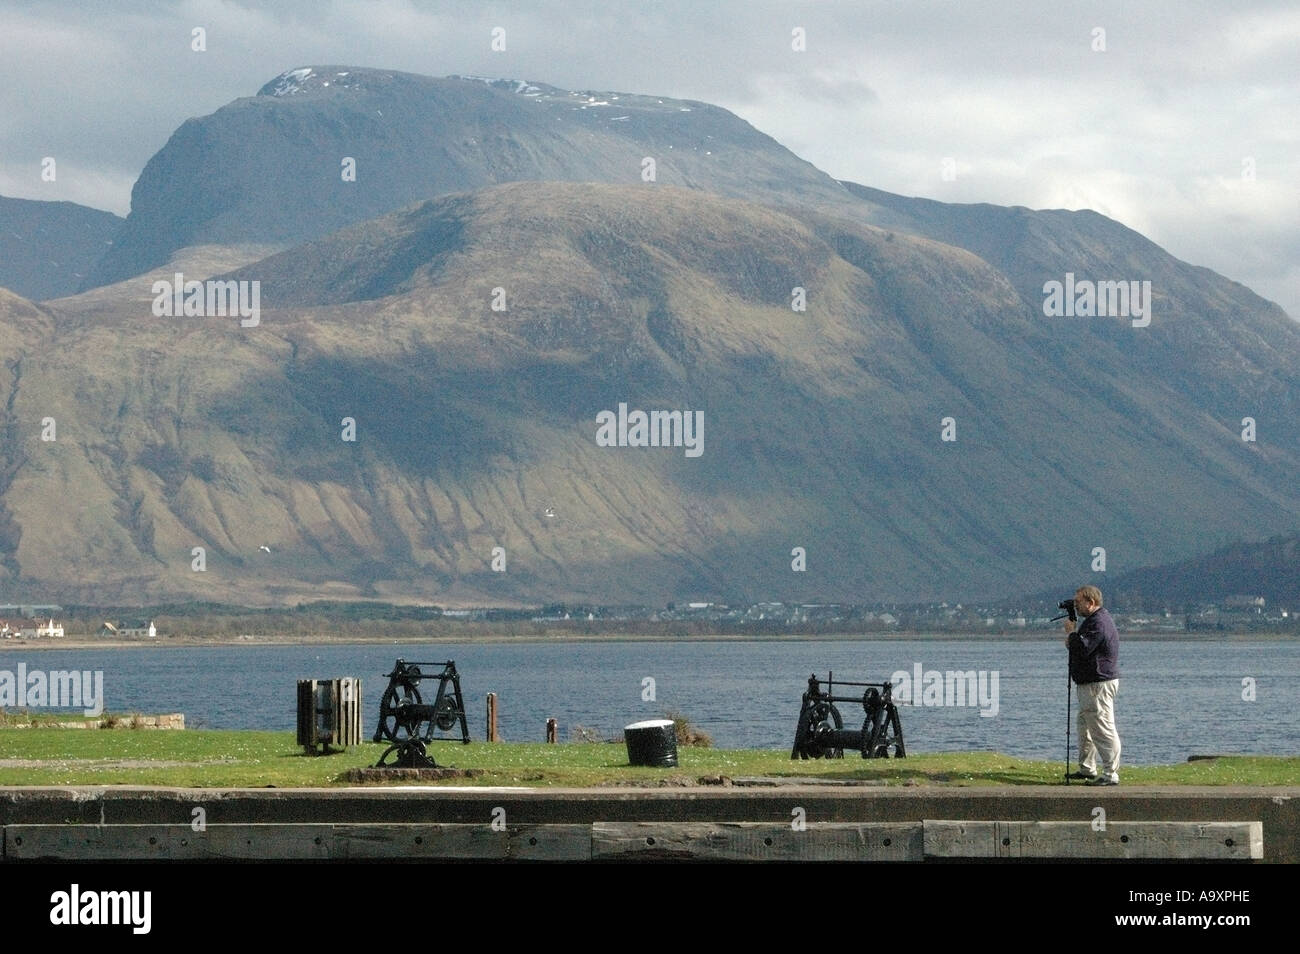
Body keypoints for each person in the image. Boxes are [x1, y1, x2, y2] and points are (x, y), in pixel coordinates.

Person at [1063, 585, 1121, 785]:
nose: (1076, 605)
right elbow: (1079, 646)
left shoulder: (1098, 624)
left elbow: (1081, 648)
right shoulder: (1095, 621)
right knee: (1085, 726)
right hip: (1091, 682)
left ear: (1091, 602)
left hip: (1097, 683)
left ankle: (1110, 774)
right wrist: (1073, 637)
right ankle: (1088, 768)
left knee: (1102, 727)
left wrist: (1071, 633)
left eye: (1079, 602)